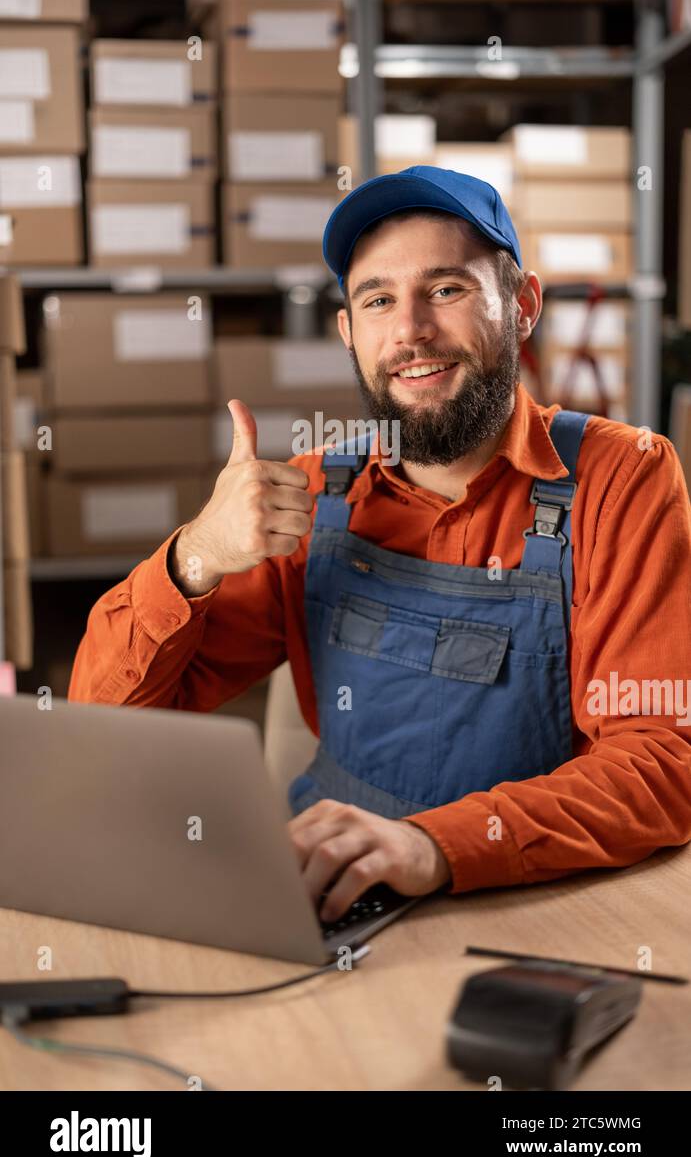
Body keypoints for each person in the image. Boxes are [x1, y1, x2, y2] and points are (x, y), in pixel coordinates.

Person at [69, 167, 691, 924]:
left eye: (447, 289)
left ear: (522, 305)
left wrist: (432, 845)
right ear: (349, 332)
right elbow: (101, 725)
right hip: (330, 898)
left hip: (533, 906)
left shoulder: (620, 478)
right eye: (377, 300)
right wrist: (194, 555)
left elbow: (662, 760)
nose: (410, 330)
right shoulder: (308, 494)